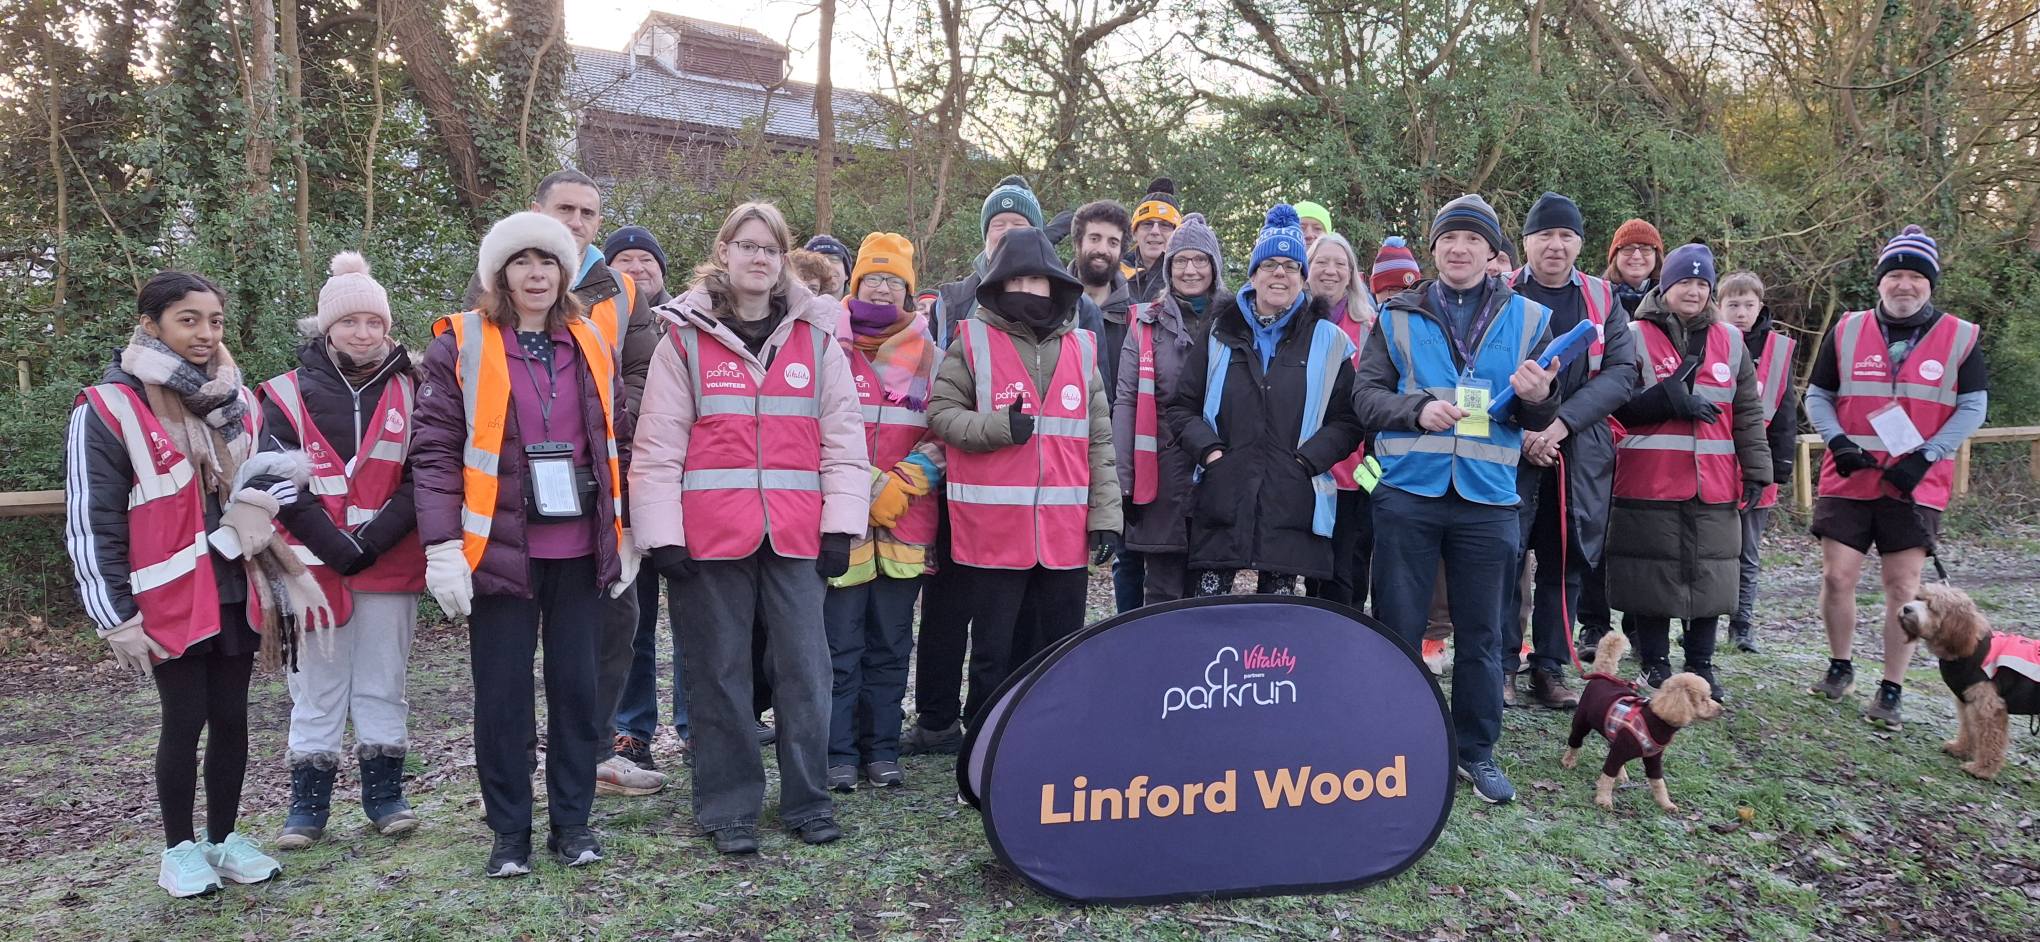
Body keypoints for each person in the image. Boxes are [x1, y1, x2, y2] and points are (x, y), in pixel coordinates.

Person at [632, 201, 869, 854]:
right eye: (747, 245)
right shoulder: (684, 340)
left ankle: (807, 801)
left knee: (806, 673)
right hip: (709, 541)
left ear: (782, 258)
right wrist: (663, 536)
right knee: (719, 675)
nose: (759, 258)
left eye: (770, 248)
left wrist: (841, 526)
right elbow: (658, 446)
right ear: (725, 252)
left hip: (797, 536)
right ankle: (728, 806)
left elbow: (844, 442)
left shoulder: (816, 340)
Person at [415, 211, 635, 877]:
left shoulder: (591, 340)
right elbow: (434, 451)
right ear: (499, 273)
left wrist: (627, 532)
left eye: (548, 261)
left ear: (565, 272)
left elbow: (618, 439)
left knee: (577, 692)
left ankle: (573, 823)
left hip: (581, 550)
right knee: (503, 698)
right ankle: (509, 832)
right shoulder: (461, 341)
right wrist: (441, 547)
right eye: (521, 261)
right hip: (500, 550)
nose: (536, 274)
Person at [66, 271, 290, 896]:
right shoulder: (108, 406)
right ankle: (179, 849)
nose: (204, 333)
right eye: (188, 320)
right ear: (150, 324)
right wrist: (114, 614)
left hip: (236, 583)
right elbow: (92, 517)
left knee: (233, 717)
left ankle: (224, 838)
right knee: (184, 719)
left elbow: (270, 476)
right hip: (166, 593)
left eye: (214, 321)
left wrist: (258, 507)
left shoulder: (237, 400)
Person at [1353, 193, 1562, 805]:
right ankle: (1393, 743)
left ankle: (1476, 751)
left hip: (1489, 499)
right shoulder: (1396, 314)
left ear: (1492, 252)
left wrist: (1540, 398)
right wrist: (1415, 409)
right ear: (1434, 248)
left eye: (1472, 239)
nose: (1459, 248)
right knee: (1397, 626)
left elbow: (1539, 412)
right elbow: (1365, 396)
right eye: (1449, 238)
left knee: (1482, 634)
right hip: (1407, 492)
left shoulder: (1530, 318)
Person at [495, 170, 667, 799]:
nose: (575, 222)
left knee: (615, 620)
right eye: (564, 209)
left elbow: (647, 371)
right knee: (513, 636)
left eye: (588, 213)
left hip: (601, 483)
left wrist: (607, 421)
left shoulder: (621, 290)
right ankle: (516, 765)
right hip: (516, 489)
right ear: (535, 210)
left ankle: (594, 753)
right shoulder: (497, 277)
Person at [259, 253, 424, 849]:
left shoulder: (416, 387)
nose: (363, 333)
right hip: (309, 565)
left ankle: (386, 797)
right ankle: (308, 807)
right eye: (350, 321)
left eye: (374, 322)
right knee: (316, 687)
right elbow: (274, 477)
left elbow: (425, 473)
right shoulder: (282, 393)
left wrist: (372, 541)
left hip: (390, 558)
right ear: (326, 327)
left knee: (383, 681)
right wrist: (333, 545)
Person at [929, 226, 1121, 728]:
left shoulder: (1082, 347)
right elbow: (941, 415)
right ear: (997, 285)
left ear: (1054, 285)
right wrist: (996, 427)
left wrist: (1107, 517)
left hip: (1064, 533)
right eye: (1015, 281)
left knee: (1059, 649)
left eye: (1036, 280)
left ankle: (1051, 738)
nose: (1026, 290)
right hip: (994, 534)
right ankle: (984, 742)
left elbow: (1100, 441)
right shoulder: (971, 341)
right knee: (992, 652)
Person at [907, 174, 1071, 757]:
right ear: (984, 233)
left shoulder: (1065, 305)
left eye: (1019, 224)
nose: (1007, 232)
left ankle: (1007, 720)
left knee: (1010, 620)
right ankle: (936, 720)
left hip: (1029, 494)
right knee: (947, 608)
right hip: (954, 480)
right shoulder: (952, 298)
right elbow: (934, 394)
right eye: (998, 223)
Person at [1805, 225, 1987, 727]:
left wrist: (1928, 456)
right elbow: (1818, 394)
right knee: (1836, 576)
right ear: (1880, 281)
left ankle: (1891, 687)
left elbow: (1973, 406)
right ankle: (1840, 665)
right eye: (1895, 275)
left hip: (1915, 482)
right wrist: (1837, 441)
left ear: (1931, 284)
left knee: (1902, 587)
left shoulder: (1960, 336)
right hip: (1850, 474)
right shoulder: (1847, 329)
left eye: (1915, 277)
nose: (1904, 285)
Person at [1168, 204, 1364, 597]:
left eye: (1291, 266)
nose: (1280, 273)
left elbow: (1348, 420)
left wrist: (1306, 462)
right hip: (1223, 496)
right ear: (1253, 274)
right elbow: (1182, 407)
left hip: (1291, 500)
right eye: (1270, 264)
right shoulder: (1218, 333)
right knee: (1209, 616)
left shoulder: (1329, 340)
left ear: (1302, 279)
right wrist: (1211, 454)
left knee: (1278, 621)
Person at [1606, 244, 1770, 702]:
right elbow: (1613, 404)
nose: (1693, 291)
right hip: (1647, 478)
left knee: (1711, 576)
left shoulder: (1731, 341)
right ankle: (1655, 663)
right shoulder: (1632, 334)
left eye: (1702, 284)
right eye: (1684, 282)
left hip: (1714, 481)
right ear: (1666, 286)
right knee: (1650, 577)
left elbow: (1747, 414)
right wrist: (1663, 400)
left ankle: (1701, 663)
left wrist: (1757, 471)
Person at [1502, 193, 1641, 710]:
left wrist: (1557, 427)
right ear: (1526, 242)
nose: (1555, 245)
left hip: (1579, 450)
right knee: (1504, 557)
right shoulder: (1500, 292)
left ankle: (1550, 667)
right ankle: (1501, 664)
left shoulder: (1603, 298)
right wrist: (1524, 433)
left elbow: (1622, 373)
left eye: (1566, 236)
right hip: (1510, 446)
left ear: (1581, 243)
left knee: (1566, 561)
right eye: (1545, 235)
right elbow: (1477, 369)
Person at [825, 232, 942, 791]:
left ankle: (882, 749)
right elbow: (810, 425)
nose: (881, 288)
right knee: (839, 646)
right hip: (841, 518)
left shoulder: (932, 355)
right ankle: (838, 753)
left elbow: (947, 430)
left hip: (907, 520)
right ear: (854, 283)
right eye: (872, 277)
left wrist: (907, 480)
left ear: (909, 292)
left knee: (891, 645)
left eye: (894, 280)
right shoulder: (827, 345)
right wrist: (867, 485)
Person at [600, 224, 687, 767]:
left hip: (683, 491)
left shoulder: (691, 321)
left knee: (696, 618)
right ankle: (631, 730)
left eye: (646, 259)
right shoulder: (593, 322)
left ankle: (698, 724)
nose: (636, 268)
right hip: (620, 492)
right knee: (632, 618)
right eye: (624, 260)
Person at [1114, 213, 1225, 605]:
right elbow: (1127, 401)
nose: (1190, 270)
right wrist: (1123, 481)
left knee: (1211, 594)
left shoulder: (1235, 322)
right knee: (1161, 592)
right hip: (1159, 477)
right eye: (1181, 261)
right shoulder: (1145, 322)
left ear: (1214, 266)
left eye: (1200, 260)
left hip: (1220, 474)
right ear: (1168, 267)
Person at [1718, 272, 1797, 654]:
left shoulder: (1778, 351)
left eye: (1748, 305)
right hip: (1714, 464)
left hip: (1757, 466)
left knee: (1748, 552)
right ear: (1719, 307)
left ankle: (1742, 625)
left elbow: (1786, 413)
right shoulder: (1708, 341)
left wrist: (1779, 466)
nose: (1741, 312)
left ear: (1760, 307)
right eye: (1733, 304)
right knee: (1711, 551)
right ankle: (1701, 622)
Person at [1300, 232, 1377, 608]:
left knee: (1347, 564)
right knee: (1306, 563)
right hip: (1299, 466)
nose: (1330, 271)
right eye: (1321, 262)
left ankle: (1346, 634)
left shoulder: (1369, 325)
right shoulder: (1291, 321)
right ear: (1307, 269)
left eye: (1340, 264)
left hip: (1354, 467)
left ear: (1352, 274)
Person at [1068, 200, 1136, 610]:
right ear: (1078, 242)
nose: (1102, 249)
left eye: (1112, 242)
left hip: (1113, 458)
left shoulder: (1136, 313)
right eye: (1095, 238)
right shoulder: (1052, 301)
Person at [1126, 178, 1182, 301]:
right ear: (1134, 232)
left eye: (1165, 225)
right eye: (1147, 224)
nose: (1155, 231)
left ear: (1177, 234)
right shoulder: (1113, 273)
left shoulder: (1188, 277)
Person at [1604, 218, 1663, 314]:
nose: (1636, 256)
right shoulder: (1597, 296)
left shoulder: (1670, 299)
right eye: (1628, 249)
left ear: (1656, 256)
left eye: (1645, 249)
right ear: (1615, 256)